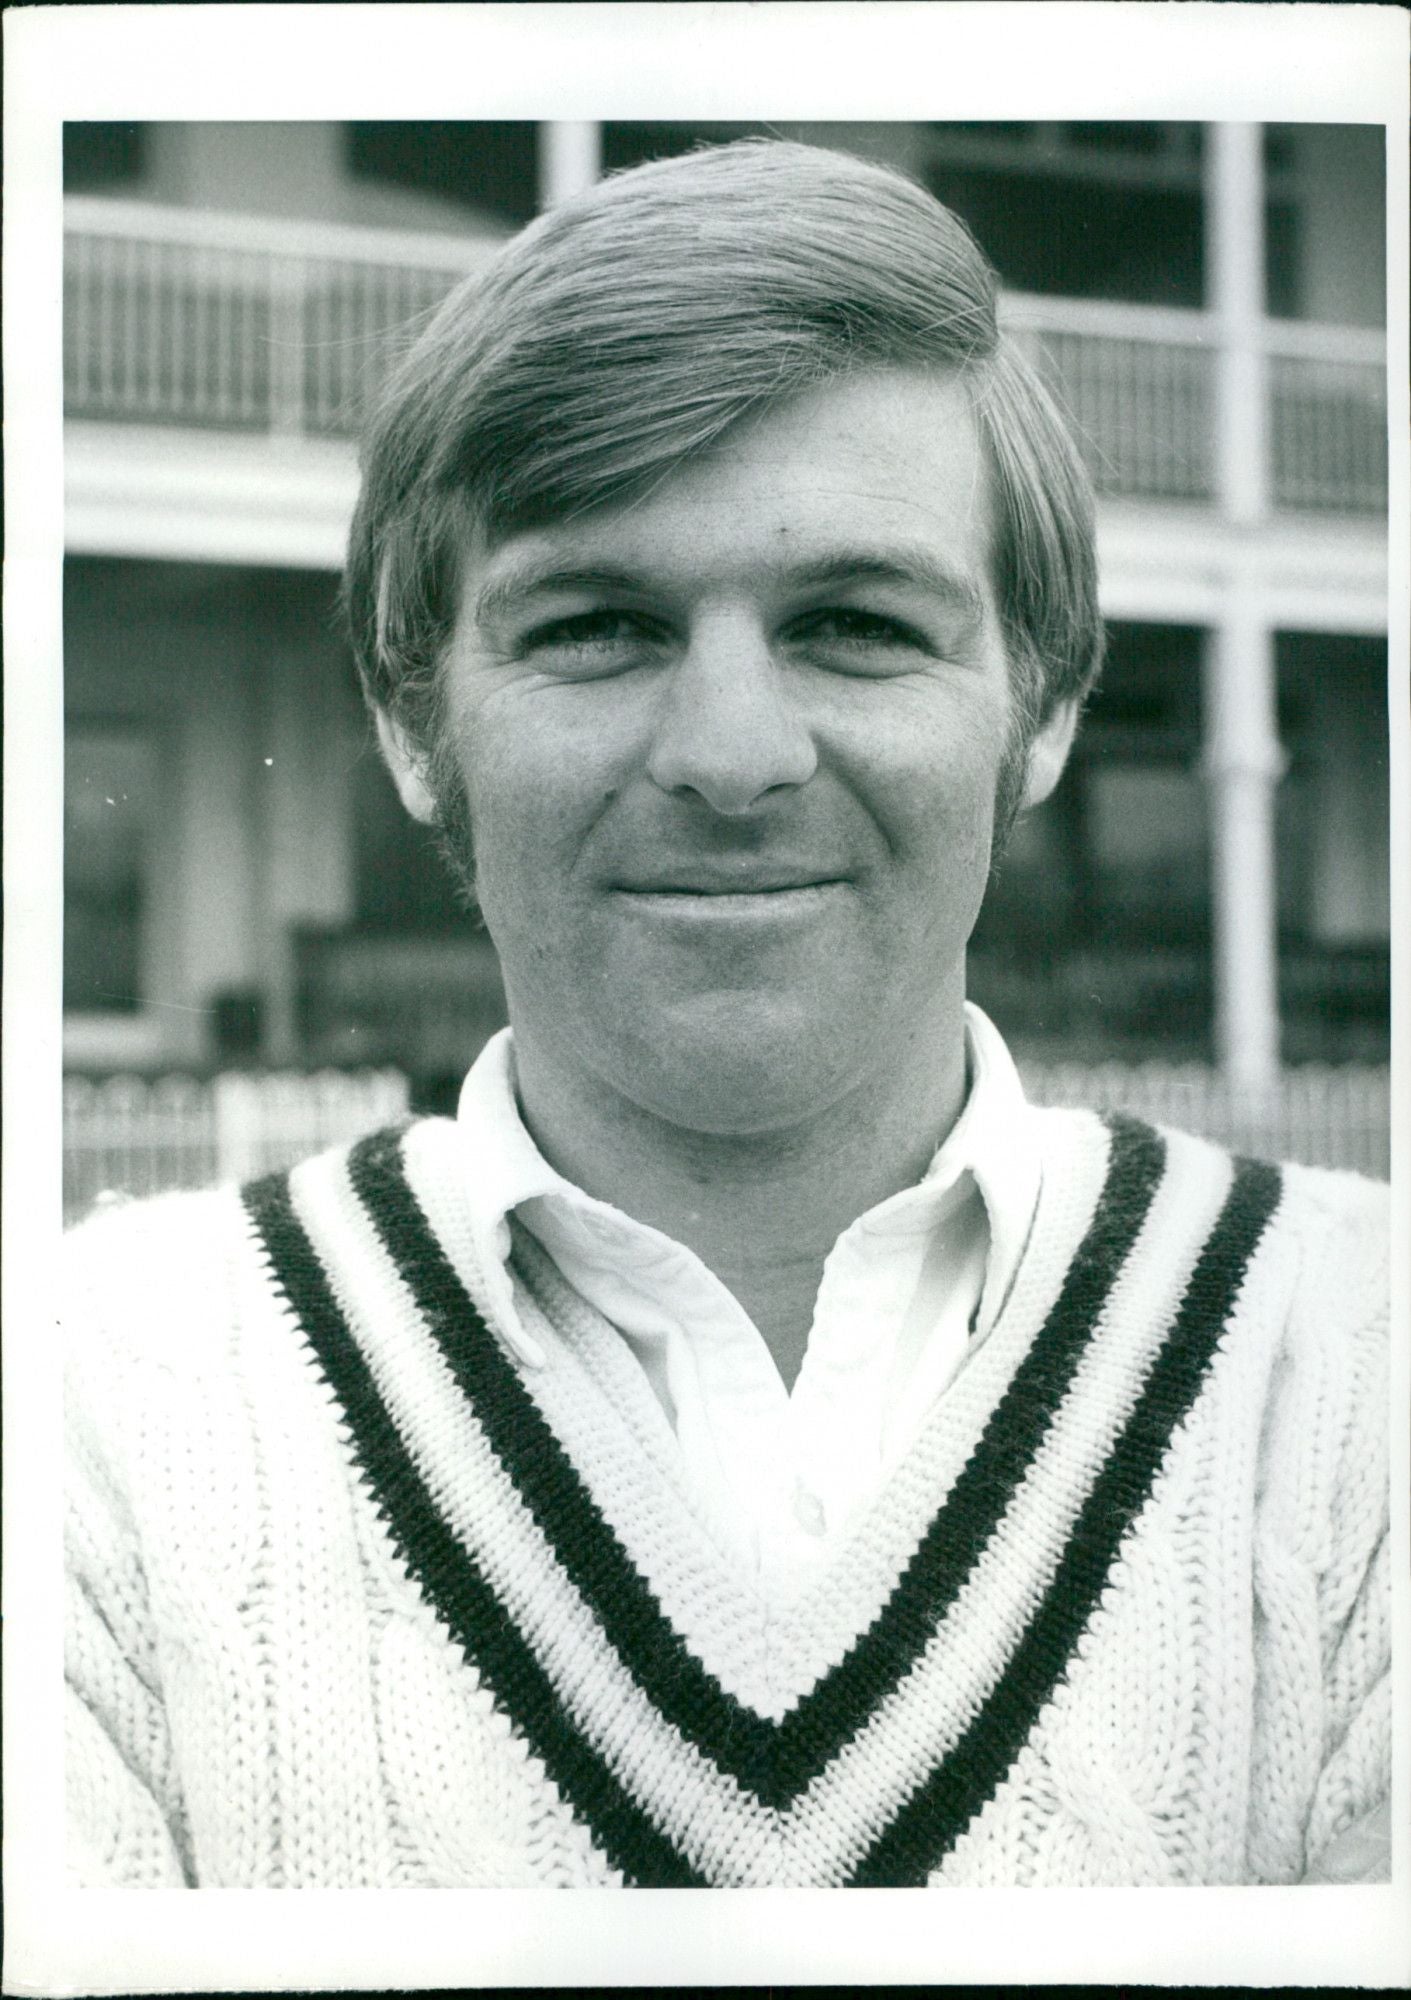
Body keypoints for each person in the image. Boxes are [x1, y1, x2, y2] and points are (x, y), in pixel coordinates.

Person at [65, 139, 1390, 1890]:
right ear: (412, 725)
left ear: (1045, 705)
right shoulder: (80, 1411)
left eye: (855, 624)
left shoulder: (1363, 1373)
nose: (732, 759)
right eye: (598, 626)